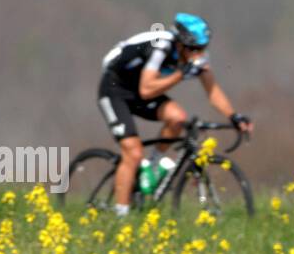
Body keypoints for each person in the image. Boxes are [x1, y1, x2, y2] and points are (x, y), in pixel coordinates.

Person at [96, 13, 252, 216]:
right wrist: (180, 73)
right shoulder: (160, 46)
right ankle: (121, 216)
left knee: (178, 117)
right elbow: (146, 90)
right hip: (116, 89)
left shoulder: (197, 58)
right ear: (180, 44)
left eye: (202, 48)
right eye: (194, 49)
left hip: (143, 91)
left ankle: (152, 166)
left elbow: (212, 92)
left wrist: (234, 116)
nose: (199, 54)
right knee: (133, 153)